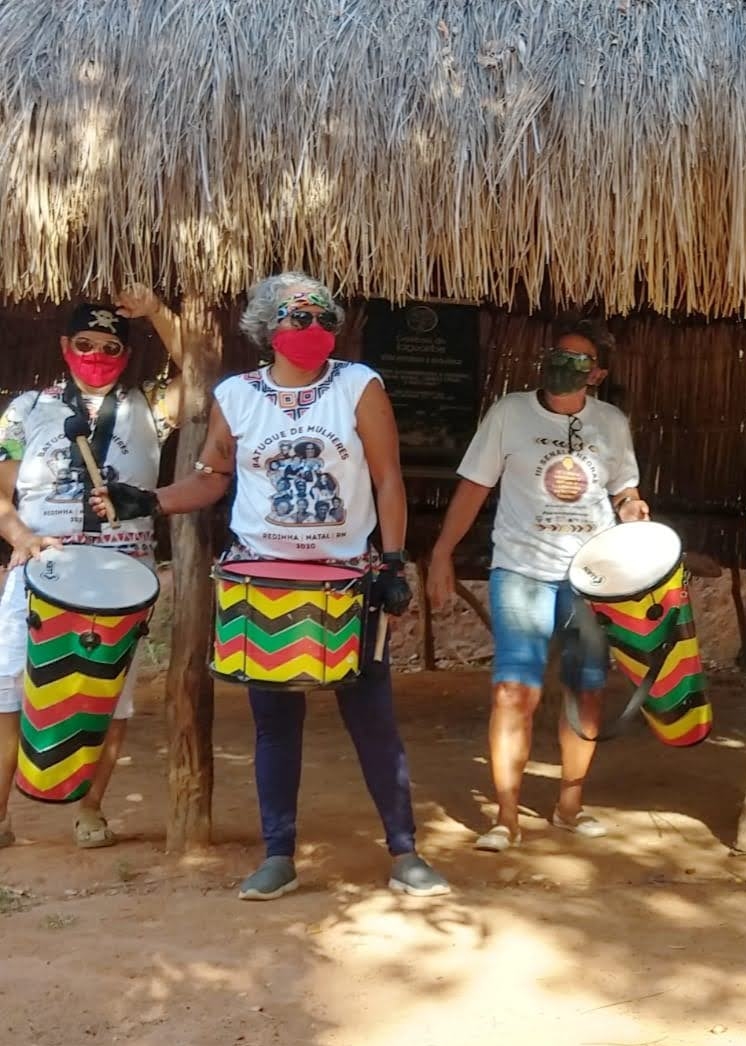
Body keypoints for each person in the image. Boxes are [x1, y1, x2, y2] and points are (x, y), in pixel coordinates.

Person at [92, 271, 448, 900]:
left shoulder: (358, 387)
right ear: (266, 330)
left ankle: (405, 851)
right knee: (274, 726)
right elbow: (211, 480)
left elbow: (388, 479)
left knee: (373, 720)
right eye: (295, 318)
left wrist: (393, 563)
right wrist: (145, 500)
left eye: (321, 319)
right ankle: (278, 855)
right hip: (264, 583)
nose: (311, 331)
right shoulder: (237, 395)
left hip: (348, 581)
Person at [427, 322, 647, 848]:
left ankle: (570, 803)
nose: (563, 365)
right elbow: (474, 487)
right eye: (557, 355)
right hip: (522, 569)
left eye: (578, 360)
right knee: (512, 691)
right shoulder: (509, 414)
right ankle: (505, 819)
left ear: (597, 374)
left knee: (586, 690)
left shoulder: (611, 424)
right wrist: (441, 552)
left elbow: (624, 489)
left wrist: (633, 508)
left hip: (592, 576)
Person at [0, 288, 183, 849]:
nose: (96, 353)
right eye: (84, 343)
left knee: (110, 696)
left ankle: (91, 809)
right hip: (41, 569)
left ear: (126, 353)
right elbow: (1, 494)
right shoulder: (25, 409)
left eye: (109, 346)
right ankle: (0, 817)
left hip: (120, 576)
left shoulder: (153, 408)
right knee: (9, 692)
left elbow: (197, 367)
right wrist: (21, 536)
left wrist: (156, 314)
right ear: (64, 346)